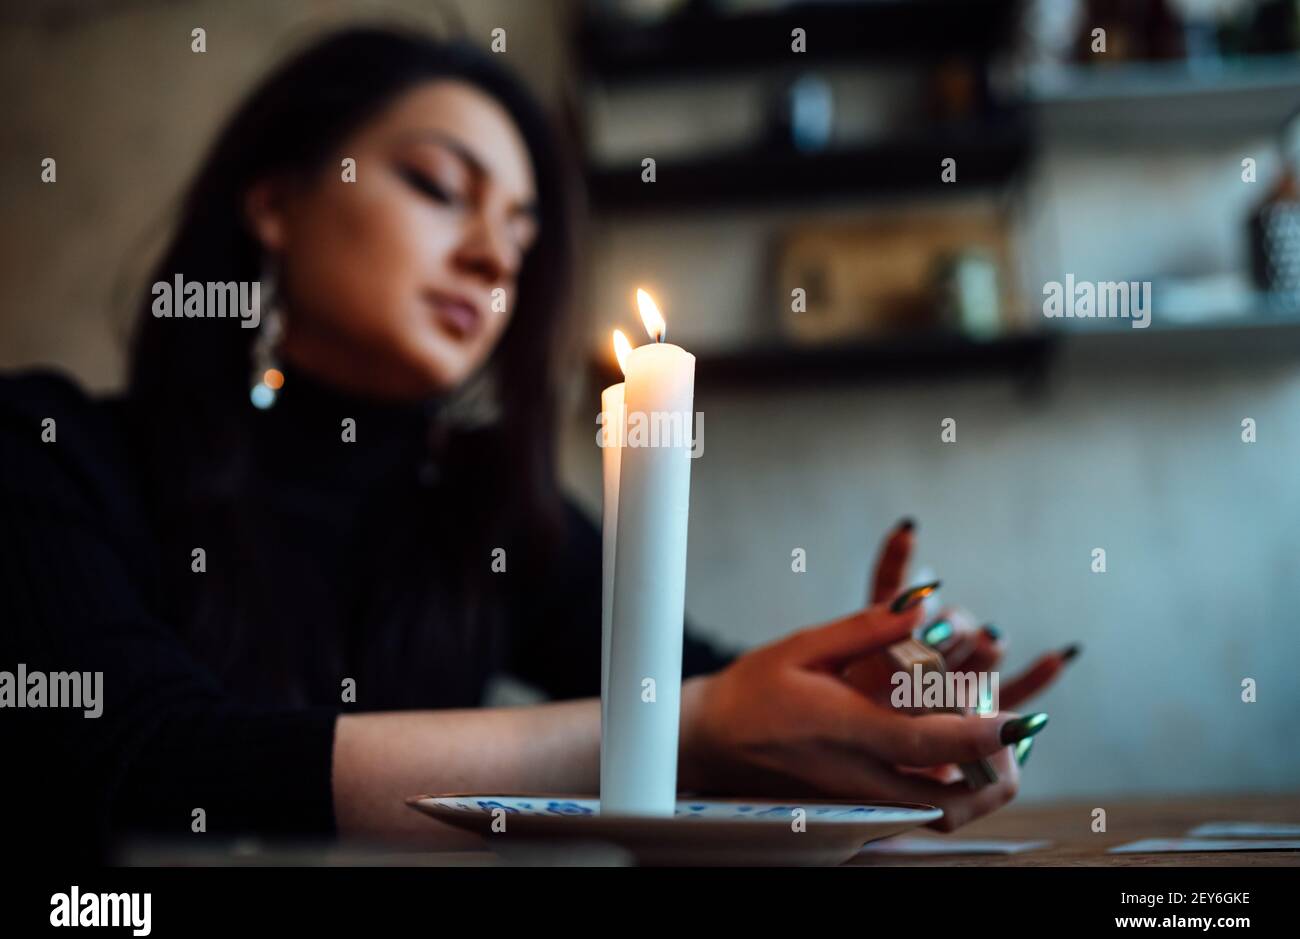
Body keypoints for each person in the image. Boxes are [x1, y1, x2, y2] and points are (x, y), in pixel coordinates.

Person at [0, 27, 1063, 862]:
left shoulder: (491, 514)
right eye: (436, 185)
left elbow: (719, 702)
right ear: (276, 199)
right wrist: (688, 723)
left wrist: (890, 708)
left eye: (519, 231)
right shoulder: (50, 447)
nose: (489, 258)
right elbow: (139, 770)